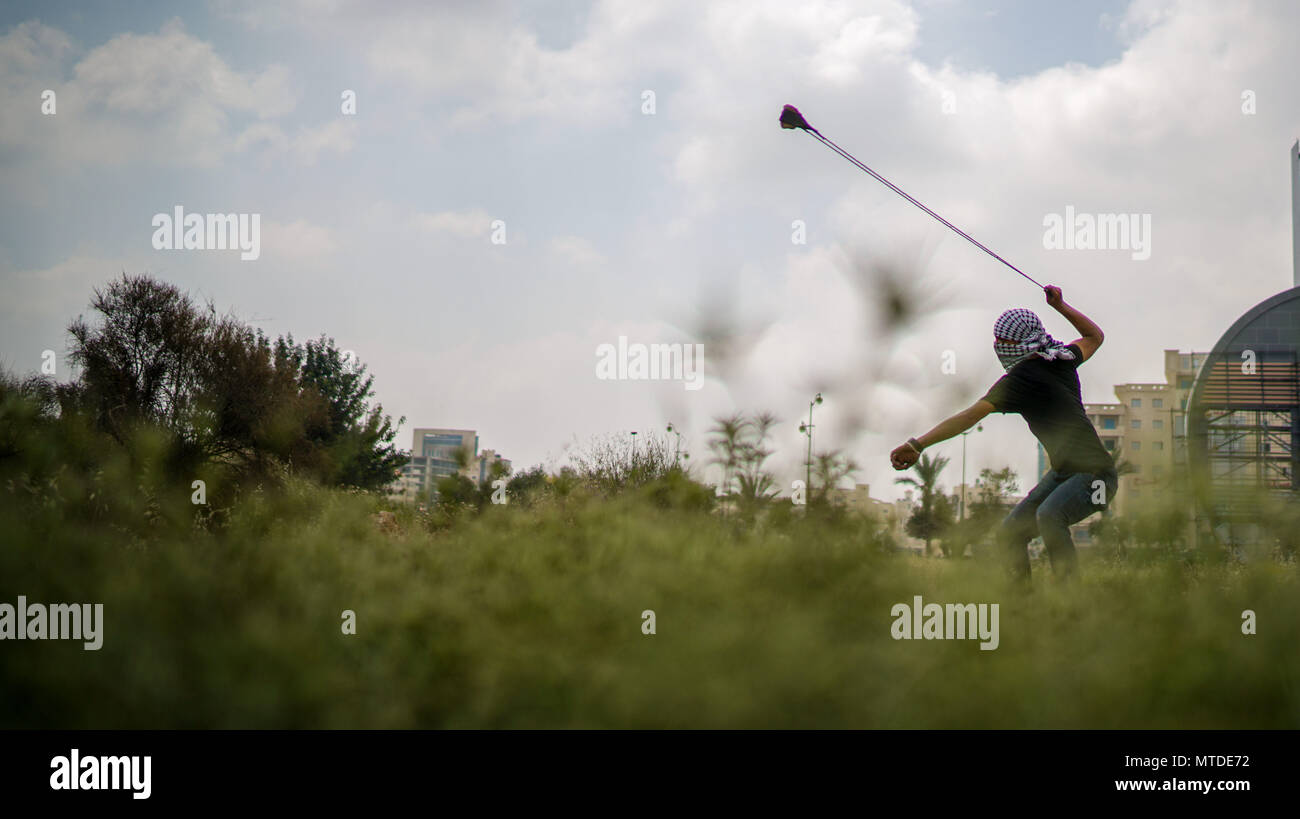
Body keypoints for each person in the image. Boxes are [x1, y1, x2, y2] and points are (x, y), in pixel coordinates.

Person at [889, 285, 1117, 581]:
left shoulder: (1021, 379)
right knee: (1010, 533)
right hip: (1065, 473)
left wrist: (917, 444)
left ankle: (1069, 598)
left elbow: (967, 418)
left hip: (1096, 476)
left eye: (1001, 340)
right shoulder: (1061, 358)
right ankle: (1021, 603)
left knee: (1049, 516)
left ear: (1015, 344)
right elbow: (1094, 337)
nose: (997, 345)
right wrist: (1060, 306)